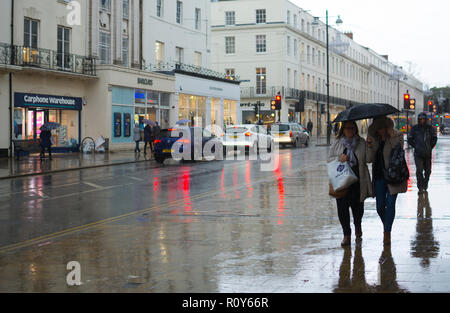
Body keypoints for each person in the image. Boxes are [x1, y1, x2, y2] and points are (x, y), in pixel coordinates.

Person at [328, 121, 373, 247]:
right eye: (347, 128)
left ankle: (358, 226)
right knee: (342, 209)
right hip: (342, 181)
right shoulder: (337, 143)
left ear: (355, 129)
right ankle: (346, 235)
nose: (350, 130)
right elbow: (329, 159)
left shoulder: (361, 142)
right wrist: (339, 158)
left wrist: (370, 146)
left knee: (358, 208)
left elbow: (369, 159)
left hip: (358, 179)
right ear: (343, 130)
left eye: (352, 128)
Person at [367, 117, 408, 246]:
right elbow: (369, 159)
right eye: (378, 128)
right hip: (379, 176)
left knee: (390, 203)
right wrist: (369, 146)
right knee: (380, 206)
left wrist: (392, 136)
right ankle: (387, 224)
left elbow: (399, 148)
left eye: (383, 127)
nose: (381, 130)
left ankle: (387, 232)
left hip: (393, 176)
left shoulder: (397, 135)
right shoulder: (375, 139)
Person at [407, 112, 438, 193]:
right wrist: (415, 146)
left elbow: (434, 138)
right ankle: (420, 186)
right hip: (418, 153)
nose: (422, 121)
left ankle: (425, 183)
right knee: (419, 170)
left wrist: (430, 147)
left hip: (427, 153)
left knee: (428, 170)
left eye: (423, 119)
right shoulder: (415, 128)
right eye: (421, 119)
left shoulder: (429, 128)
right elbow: (410, 138)